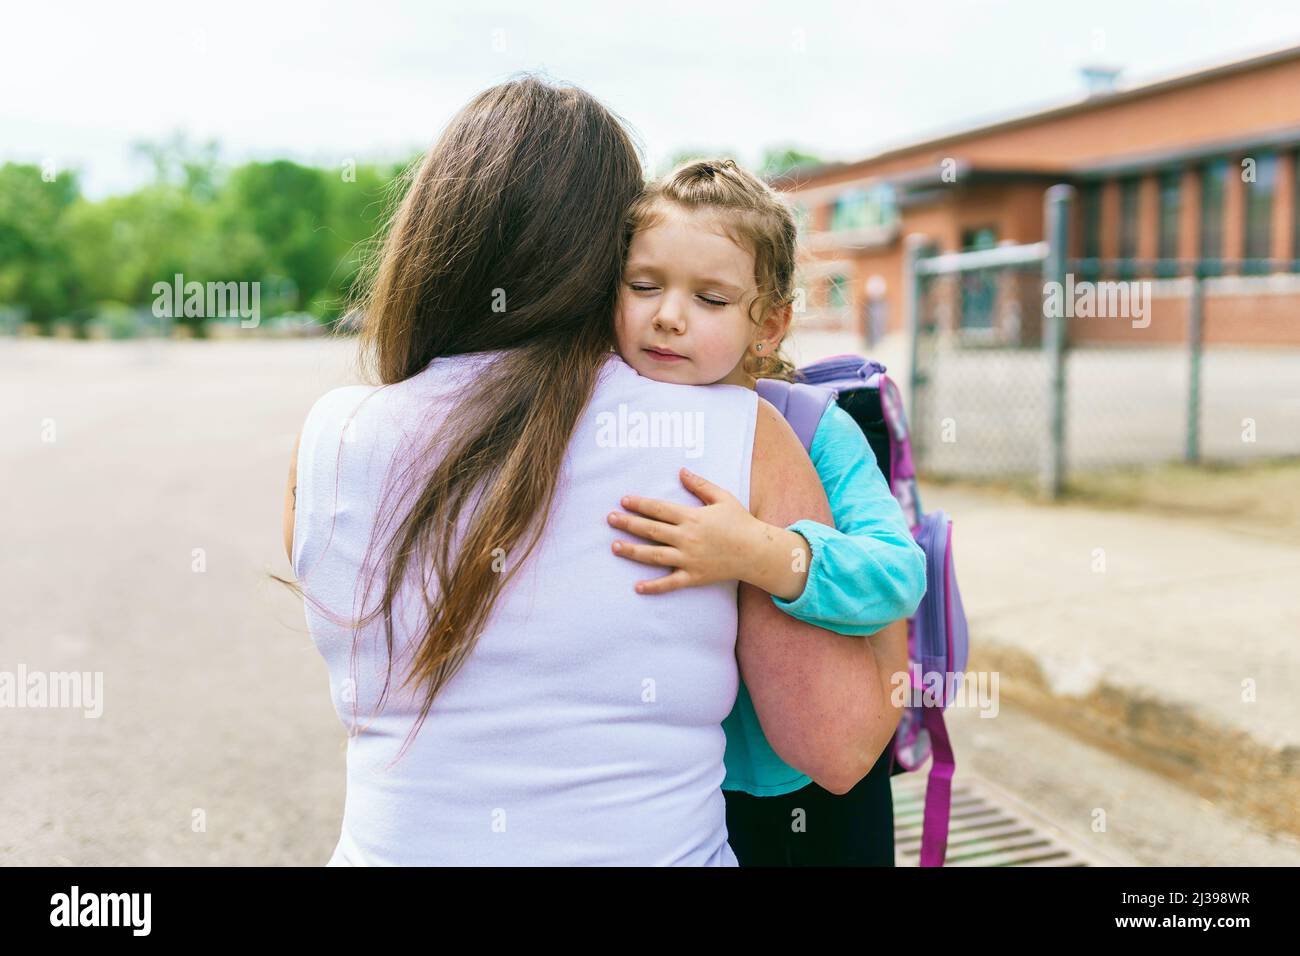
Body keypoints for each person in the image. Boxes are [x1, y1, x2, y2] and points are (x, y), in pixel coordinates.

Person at [277, 76, 906, 866]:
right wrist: (887, 613)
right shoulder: (741, 434)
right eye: (645, 280)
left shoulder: (330, 437)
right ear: (607, 254)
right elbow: (838, 746)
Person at [604, 157, 925, 865]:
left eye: (711, 299)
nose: (668, 315)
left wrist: (762, 553)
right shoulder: (607, 424)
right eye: (644, 285)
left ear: (769, 323)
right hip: (685, 781)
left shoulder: (814, 428)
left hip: (814, 791)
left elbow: (898, 573)